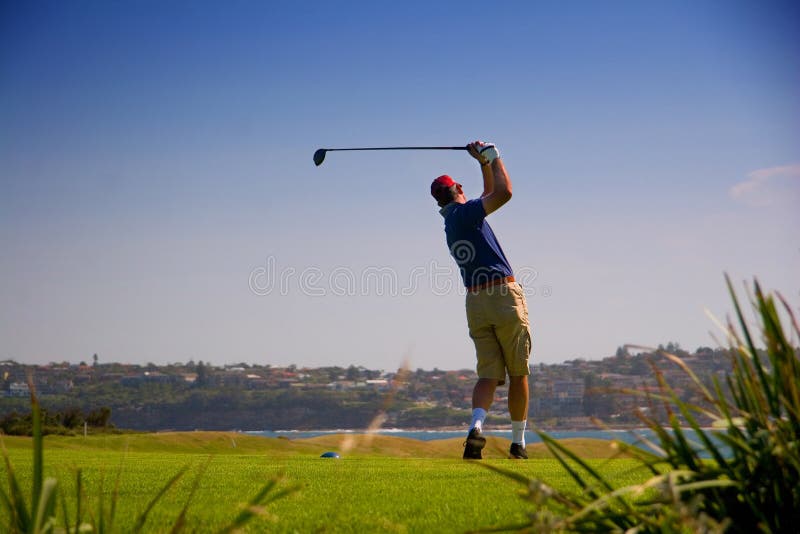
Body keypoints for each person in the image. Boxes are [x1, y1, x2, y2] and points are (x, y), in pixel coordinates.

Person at [430, 140, 532, 460]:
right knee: (518, 372)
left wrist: (481, 164)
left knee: (488, 375)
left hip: (475, 302)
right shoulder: (466, 212)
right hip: (502, 295)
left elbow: (487, 195)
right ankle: (518, 444)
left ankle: (476, 426)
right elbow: (503, 194)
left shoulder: (452, 219)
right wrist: (494, 156)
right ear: (458, 189)